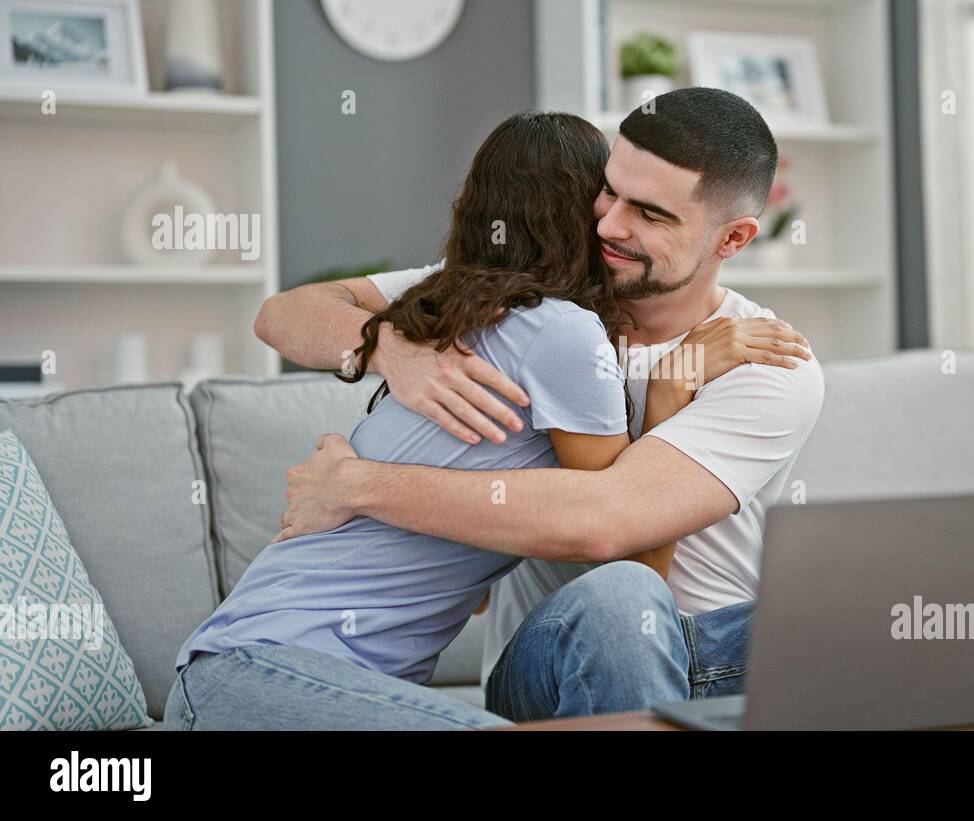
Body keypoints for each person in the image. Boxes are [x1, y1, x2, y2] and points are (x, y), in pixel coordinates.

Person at [163, 110, 805, 730]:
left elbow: (605, 523)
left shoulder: (756, 356)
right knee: (625, 603)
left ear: (733, 238)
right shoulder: (538, 318)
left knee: (851, 618)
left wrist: (360, 485)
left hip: (319, 681)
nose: (612, 224)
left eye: (650, 213)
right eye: (606, 197)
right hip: (255, 670)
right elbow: (283, 313)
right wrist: (388, 347)